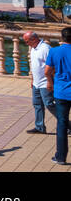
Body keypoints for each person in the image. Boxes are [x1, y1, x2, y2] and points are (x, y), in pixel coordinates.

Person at [47, 26, 71, 166]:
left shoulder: (54, 51)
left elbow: (47, 71)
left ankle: (61, 157)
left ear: (62, 38)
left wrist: (50, 83)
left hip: (61, 92)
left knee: (61, 124)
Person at [24, 31, 54, 134]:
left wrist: (50, 82)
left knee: (49, 104)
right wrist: (32, 79)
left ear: (34, 39)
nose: (26, 44)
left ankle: (67, 124)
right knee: (37, 104)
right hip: (36, 83)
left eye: (27, 41)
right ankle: (40, 127)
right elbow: (34, 65)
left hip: (45, 83)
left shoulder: (45, 49)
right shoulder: (33, 48)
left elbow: (52, 66)